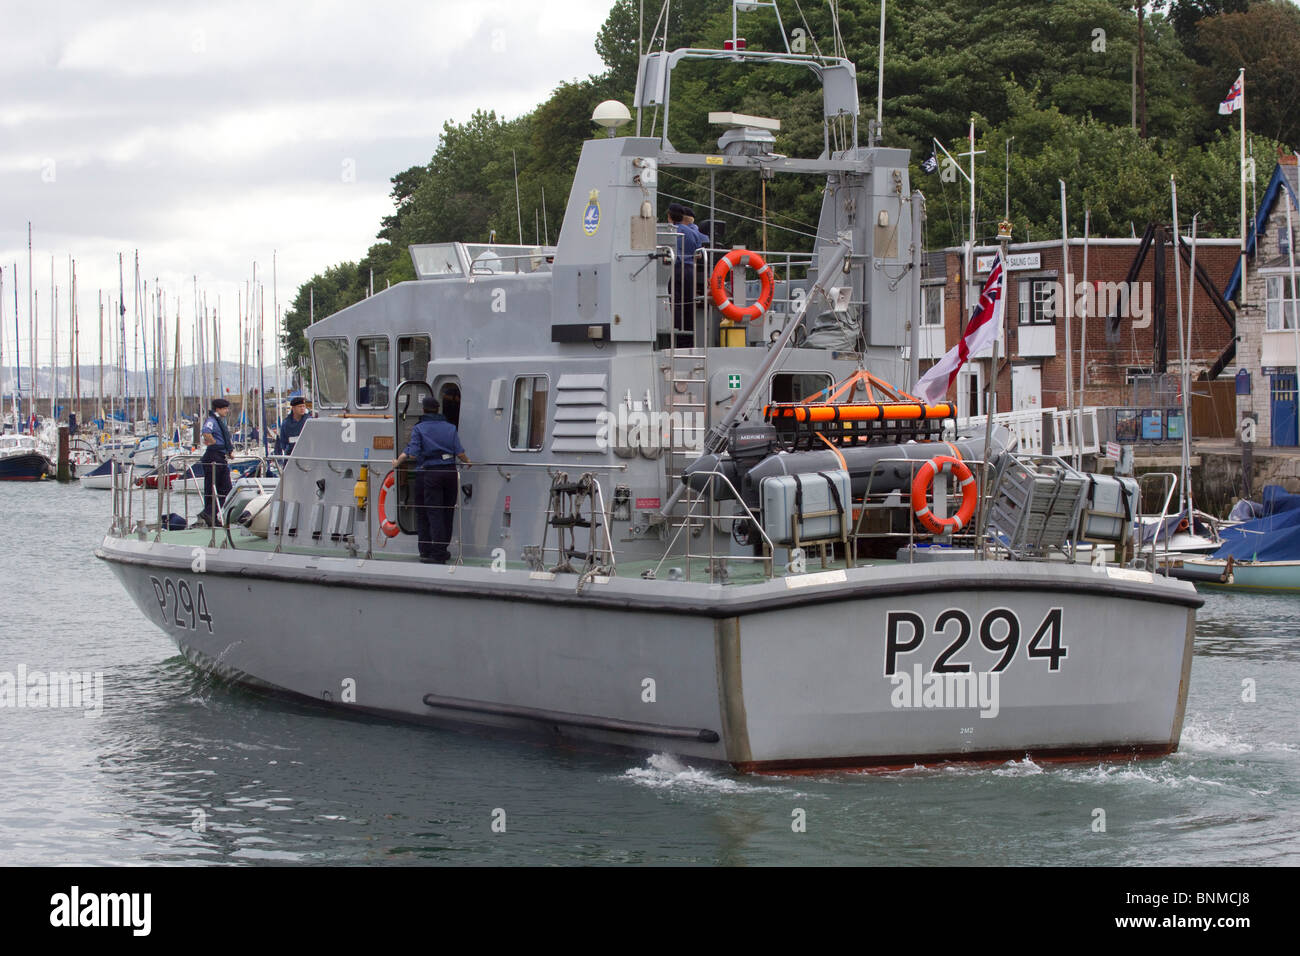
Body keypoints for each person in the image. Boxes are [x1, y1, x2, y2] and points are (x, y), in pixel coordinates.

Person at [392, 395, 471, 564]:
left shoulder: (419, 428)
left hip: (430, 473)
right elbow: (459, 452)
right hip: (450, 472)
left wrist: (397, 461)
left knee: (431, 513)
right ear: (438, 409)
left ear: (424, 410)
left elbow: (412, 451)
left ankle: (431, 552)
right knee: (447, 512)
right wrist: (468, 462)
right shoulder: (450, 428)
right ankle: (442, 549)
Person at [667, 202, 702, 346]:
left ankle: (678, 338)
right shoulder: (693, 232)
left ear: (670, 216)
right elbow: (699, 254)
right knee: (689, 303)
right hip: (691, 271)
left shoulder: (671, 231)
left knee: (676, 303)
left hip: (676, 269)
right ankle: (689, 339)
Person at [198, 398, 235, 526]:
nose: (227, 411)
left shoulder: (219, 421)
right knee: (216, 488)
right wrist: (214, 443)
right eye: (225, 408)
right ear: (218, 409)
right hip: (214, 456)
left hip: (220, 456)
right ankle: (210, 513)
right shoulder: (212, 420)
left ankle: (211, 514)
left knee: (223, 488)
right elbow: (206, 433)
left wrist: (228, 451)